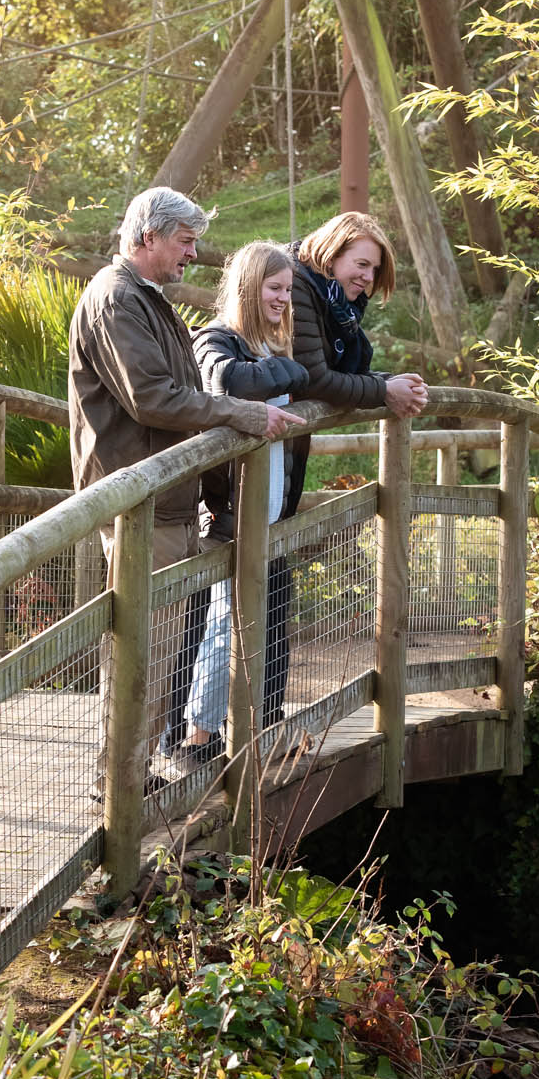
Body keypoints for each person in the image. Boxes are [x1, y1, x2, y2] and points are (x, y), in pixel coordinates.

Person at [68, 187, 303, 773]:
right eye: (184, 241)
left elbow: (181, 393)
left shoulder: (147, 297)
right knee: (141, 648)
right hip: (139, 500)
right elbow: (152, 399)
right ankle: (117, 782)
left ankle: (130, 775)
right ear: (147, 236)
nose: (192, 254)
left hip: (166, 500)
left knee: (158, 641)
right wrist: (242, 413)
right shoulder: (117, 299)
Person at [167, 242, 308, 765]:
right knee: (224, 619)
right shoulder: (217, 339)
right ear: (249, 288)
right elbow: (230, 383)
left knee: (267, 619)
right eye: (275, 289)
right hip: (229, 511)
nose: (282, 299)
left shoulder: (273, 346)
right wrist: (293, 374)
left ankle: (258, 728)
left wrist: (291, 369)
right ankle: (197, 737)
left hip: (270, 505)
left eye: (288, 290)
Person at [286, 212, 428, 496]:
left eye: (374, 269)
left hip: (291, 431)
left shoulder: (336, 302)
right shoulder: (294, 285)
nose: (368, 277)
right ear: (331, 254)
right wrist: (384, 390)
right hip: (263, 421)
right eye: (362, 264)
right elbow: (312, 377)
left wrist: (391, 383)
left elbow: (339, 372)